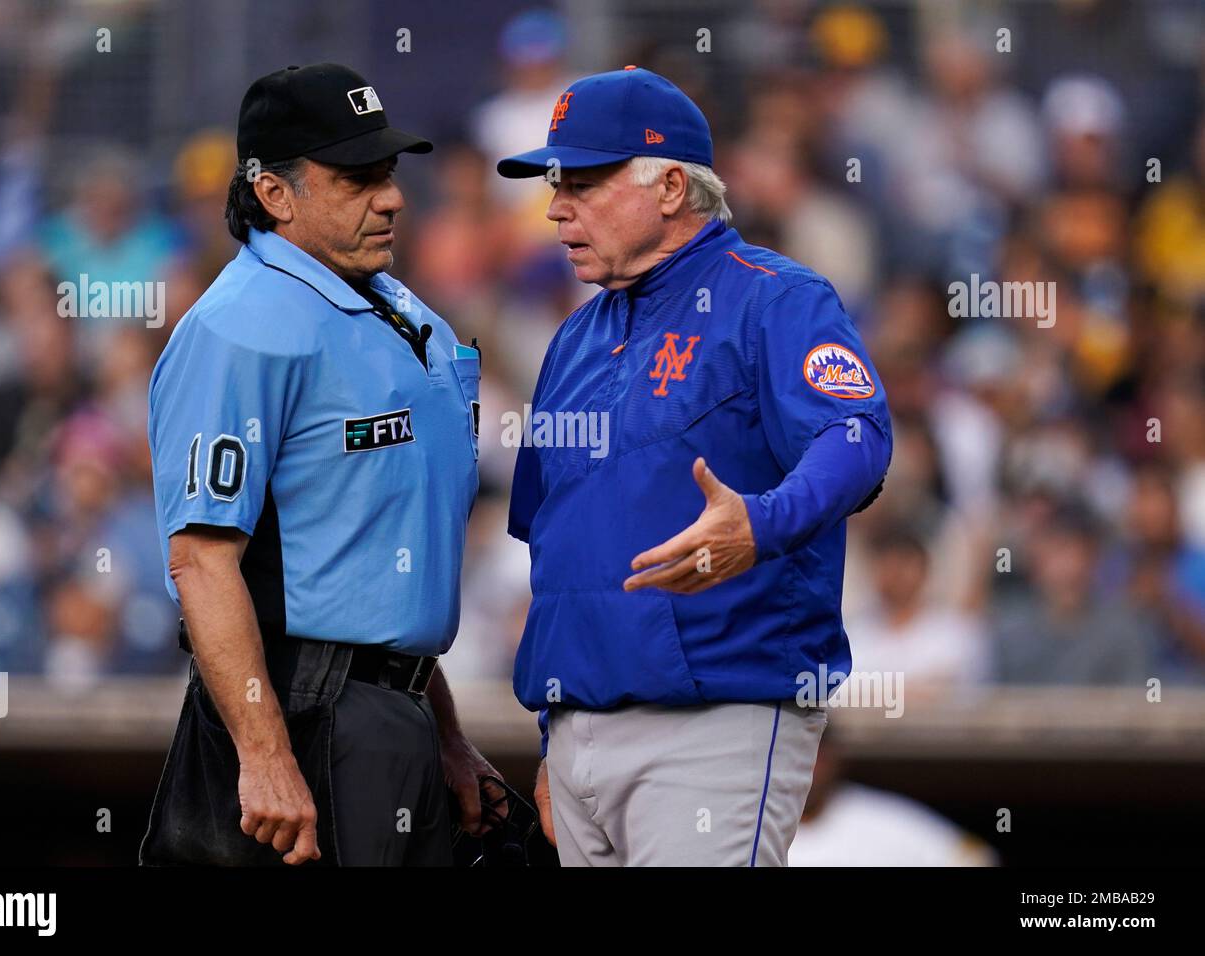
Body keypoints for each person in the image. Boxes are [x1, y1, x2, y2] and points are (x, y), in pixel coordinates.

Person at [497, 67, 892, 866]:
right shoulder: (573, 338)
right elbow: (557, 551)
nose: (555, 207)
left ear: (671, 186)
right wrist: (557, 734)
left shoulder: (775, 298)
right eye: (554, 184)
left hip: (715, 717)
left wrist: (763, 521)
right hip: (578, 734)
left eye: (582, 182)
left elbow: (857, 433)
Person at [140, 63, 502, 867]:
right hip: (300, 712)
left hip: (391, 712)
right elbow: (201, 560)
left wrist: (440, 728)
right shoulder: (241, 327)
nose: (392, 196)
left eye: (389, 173)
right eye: (357, 178)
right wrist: (265, 755)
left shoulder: (401, 307)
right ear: (275, 193)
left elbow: (373, 565)